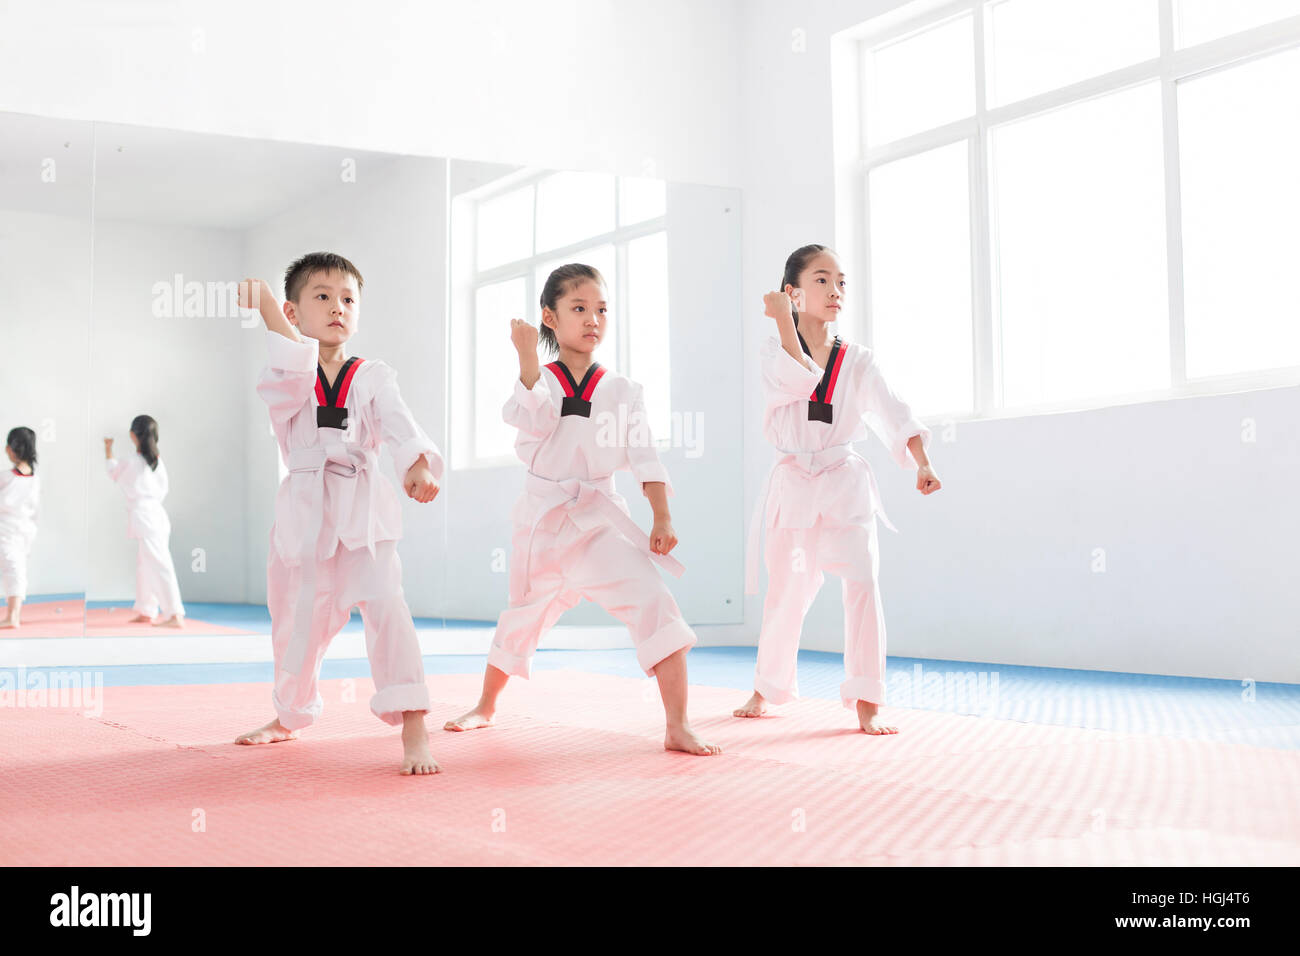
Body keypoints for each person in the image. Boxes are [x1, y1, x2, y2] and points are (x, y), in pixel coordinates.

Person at [444, 263, 721, 756]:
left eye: (601, 310)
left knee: (655, 600)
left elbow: (644, 456)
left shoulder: (622, 390)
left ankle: (677, 724)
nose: (593, 319)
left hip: (597, 522)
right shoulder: (540, 380)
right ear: (550, 318)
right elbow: (532, 420)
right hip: (544, 523)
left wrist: (661, 516)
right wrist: (527, 356)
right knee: (521, 617)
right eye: (579, 309)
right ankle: (485, 706)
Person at [234, 252, 442, 776]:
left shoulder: (374, 376)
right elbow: (290, 366)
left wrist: (415, 466)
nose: (337, 307)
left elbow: (399, 425)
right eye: (322, 296)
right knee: (296, 620)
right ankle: (290, 714)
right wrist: (264, 309)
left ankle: (414, 727)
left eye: (348, 298)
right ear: (294, 311)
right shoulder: (284, 375)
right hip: (305, 514)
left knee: (388, 608)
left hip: (363, 513)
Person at [736, 244, 941, 734]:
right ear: (793, 292)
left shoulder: (859, 360)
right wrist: (783, 320)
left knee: (864, 584)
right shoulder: (772, 350)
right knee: (788, 589)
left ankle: (868, 698)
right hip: (794, 484)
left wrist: (922, 462)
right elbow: (797, 377)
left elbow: (893, 410)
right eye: (822, 280)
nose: (836, 291)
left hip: (843, 482)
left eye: (841, 282)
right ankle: (768, 686)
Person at [105, 416, 185, 628]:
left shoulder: (132, 462)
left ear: (133, 435)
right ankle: (146, 609)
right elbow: (163, 490)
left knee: (159, 564)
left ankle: (174, 614)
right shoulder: (157, 461)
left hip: (146, 517)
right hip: (156, 515)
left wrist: (107, 449)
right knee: (146, 564)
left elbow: (113, 471)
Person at [0, 427, 40, 629]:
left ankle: (13, 616)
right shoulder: (33, 478)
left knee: (13, 569)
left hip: (8, 531)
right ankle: (13, 614)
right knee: (16, 569)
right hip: (24, 531)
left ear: (12, 448)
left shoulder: (8, 477)